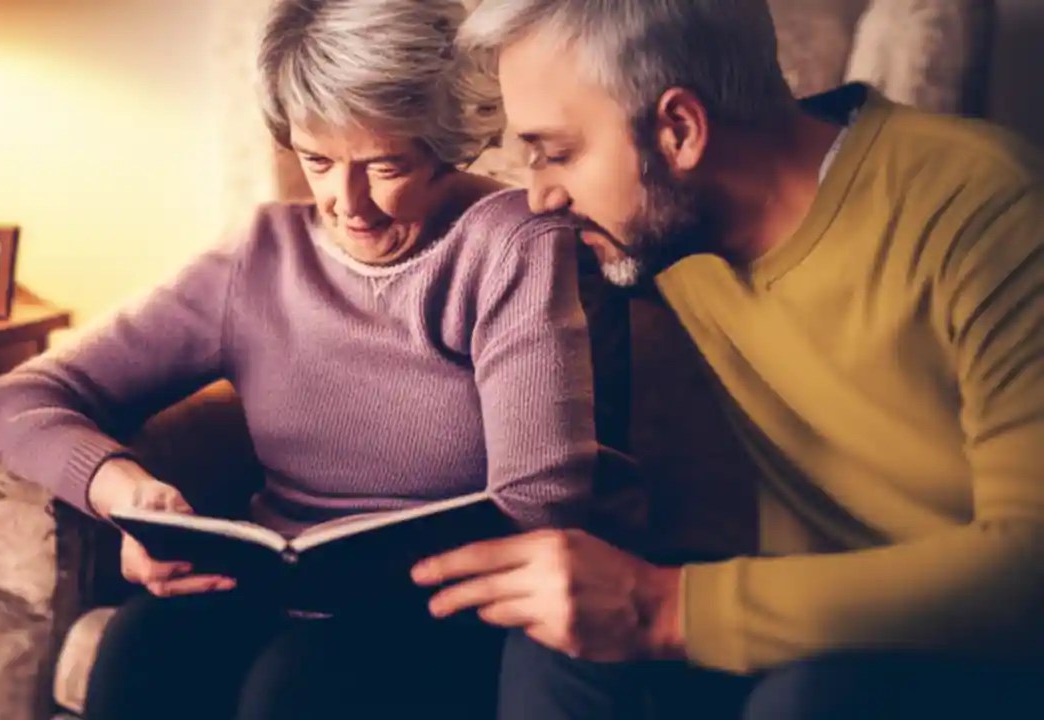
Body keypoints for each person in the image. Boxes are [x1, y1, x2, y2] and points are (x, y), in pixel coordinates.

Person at [0, 1, 630, 718]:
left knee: (296, 687)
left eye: (385, 166)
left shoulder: (510, 242)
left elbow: (542, 502)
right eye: (317, 160)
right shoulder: (260, 255)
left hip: (449, 601)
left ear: (445, 144)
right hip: (275, 586)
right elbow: (21, 400)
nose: (347, 204)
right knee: (141, 648)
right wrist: (126, 495)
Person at [411, 1, 1044, 718]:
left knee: (814, 696)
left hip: (977, 652)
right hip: (797, 625)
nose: (540, 197)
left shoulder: (983, 208)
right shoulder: (671, 224)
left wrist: (666, 611)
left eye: (556, 153)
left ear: (680, 130)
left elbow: (1030, 569)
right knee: (552, 642)